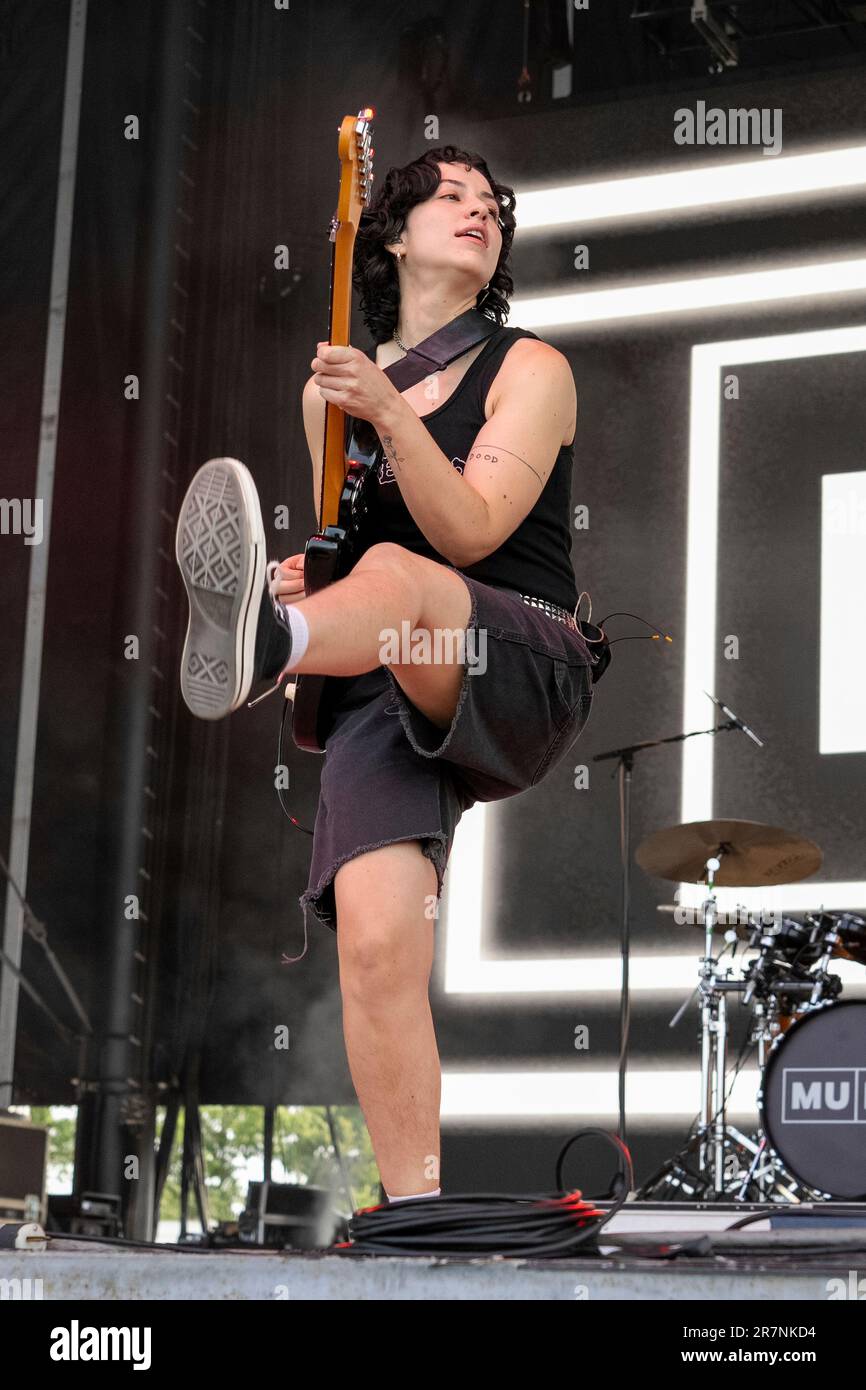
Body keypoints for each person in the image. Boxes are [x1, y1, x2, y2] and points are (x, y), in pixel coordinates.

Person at [175, 145, 601, 1205]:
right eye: (446, 198)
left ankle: (269, 642)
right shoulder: (333, 400)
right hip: (387, 662)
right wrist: (312, 574)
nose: (476, 213)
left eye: (489, 205)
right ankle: (414, 1213)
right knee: (372, 941)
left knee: (403, 577)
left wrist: (390, 411)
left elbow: (466, 528)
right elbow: (356, 538)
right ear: (392, 237)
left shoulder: (530, 367)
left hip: (515, 655)